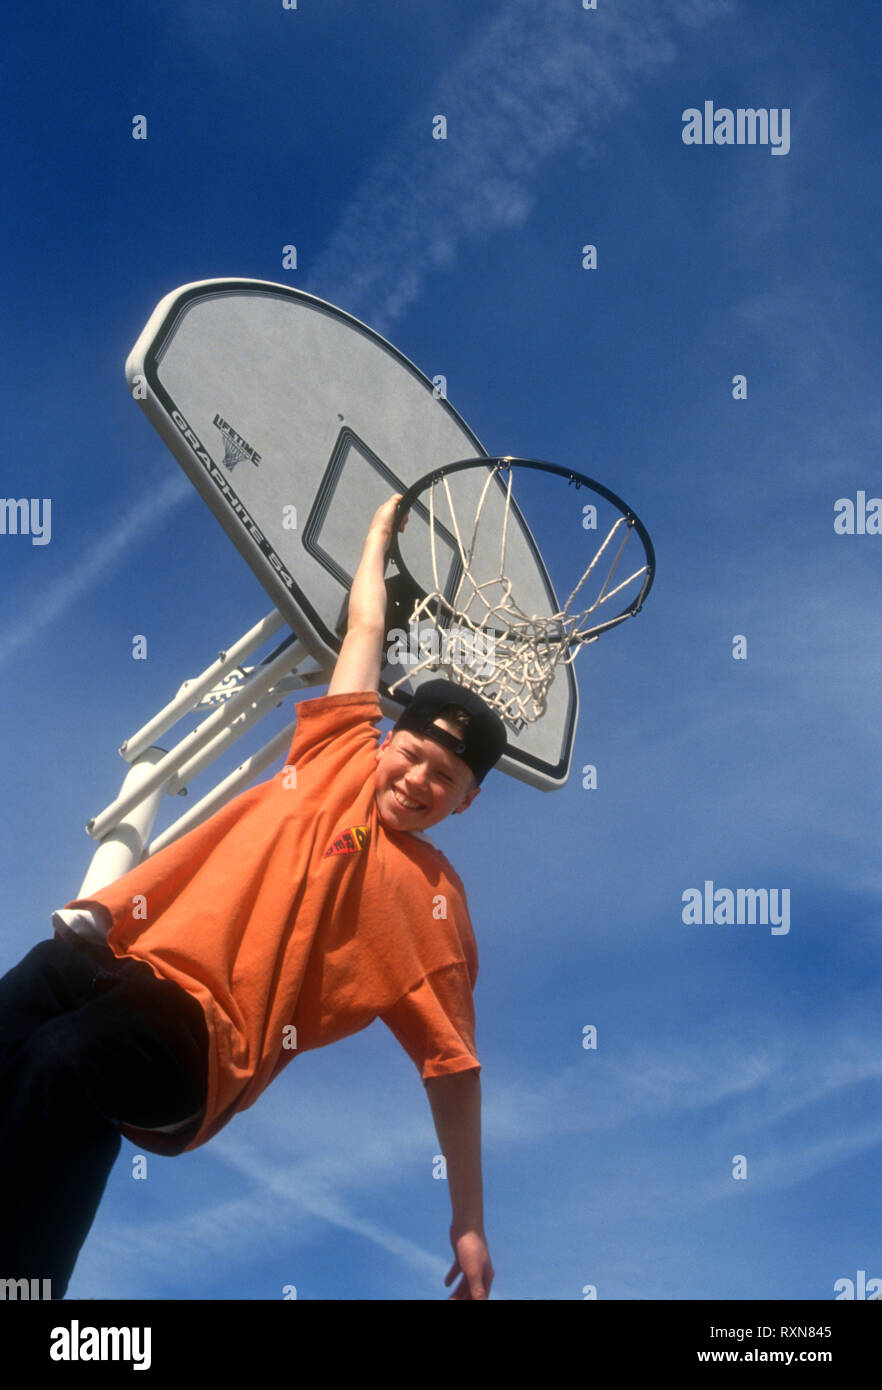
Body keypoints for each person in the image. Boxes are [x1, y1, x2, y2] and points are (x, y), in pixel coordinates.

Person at [0, 495, 507, 1300]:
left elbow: (453, 1069)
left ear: (466, 801)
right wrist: (376, 537)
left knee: (68, 1062)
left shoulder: (435, 905)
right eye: (410, 757)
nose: (417, 781)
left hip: (205, 1040)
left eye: (444, 780)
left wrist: (469, 1221)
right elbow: (367, 632)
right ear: (383, 742)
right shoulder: (339, 749)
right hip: (119, 961)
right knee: (29, 1000)